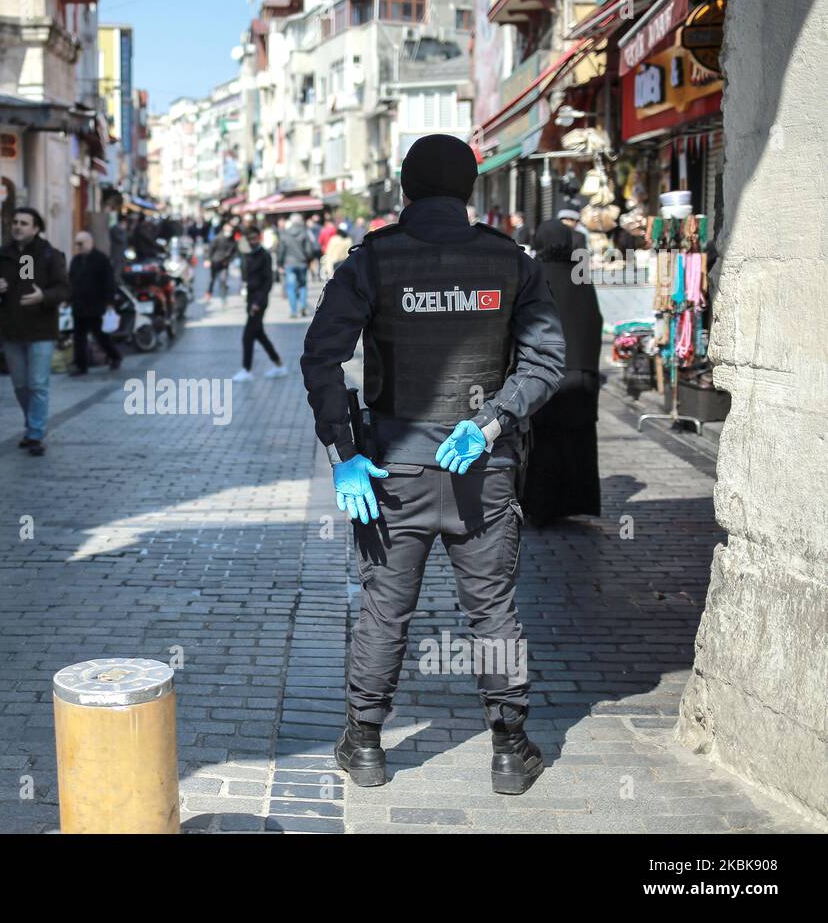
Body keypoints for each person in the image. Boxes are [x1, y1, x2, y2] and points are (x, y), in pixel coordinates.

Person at [301, 133, 566, 795]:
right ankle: (510, 751)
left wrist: (344, 453)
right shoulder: (512, 262)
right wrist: (494, 421)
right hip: (484, 470)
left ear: (405, 189)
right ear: (472, 191)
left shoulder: (373, 261)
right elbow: (547, 361)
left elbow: (320, 356)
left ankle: (364, 744)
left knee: (385, 609)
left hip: (393, 471)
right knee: (494, 609)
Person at [522, 215, 603, 525]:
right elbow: (593, 321)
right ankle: (573, 503)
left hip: (543, 372)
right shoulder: (580, 275)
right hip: (580, 374)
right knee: (576, 441)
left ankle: (540, 506)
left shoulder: (533, 274)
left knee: (542, 443)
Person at [0, 206, 70, 457]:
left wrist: (44, 296)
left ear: (35, 228)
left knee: (38, 384)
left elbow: (64, 289)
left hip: (41, 330)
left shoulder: (50, 255)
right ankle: (32, 424)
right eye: (15, 222)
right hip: (12, 329)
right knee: (21, 386)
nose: (17, 226)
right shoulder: (3, 254)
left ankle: (35, 433)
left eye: (23, 223)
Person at [232, 226, 288, 382]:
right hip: (251, 299)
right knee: (259, 334)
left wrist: (258, 302)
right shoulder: (247, 254)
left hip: (259, 301)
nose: (252, 241)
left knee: (247, 336)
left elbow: (267, 281)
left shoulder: (264, 255)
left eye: (254, 238)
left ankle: (246, 369)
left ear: (259, 238)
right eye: (249, 239)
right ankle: (279, 365)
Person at [69, 230, 121, 375]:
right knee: (79, 337)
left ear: (89, 242)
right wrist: (68, 299)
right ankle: (81, 365)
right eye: (76, 244)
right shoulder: (76, 260)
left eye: (80, 243)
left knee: (101, 335)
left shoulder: (101, 259)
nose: (78, 247)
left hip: (95, 305)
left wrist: (109, 302)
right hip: (79, 306)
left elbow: (109, 282)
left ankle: (115, 356)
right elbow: (71, 280)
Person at [276, 213, 315, 318]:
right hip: (302, 263)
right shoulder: (304, 233)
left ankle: (293, 311)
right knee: (302, 285)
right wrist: (309, 259)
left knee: (291, 287)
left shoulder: (285, 234)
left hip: (289, 263)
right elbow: (309, 250)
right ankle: (302, 306)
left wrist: (279, 263)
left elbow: (280, 250)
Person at [206, 223, 238, 307]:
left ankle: (224, 299)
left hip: (225, 264)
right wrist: (208, 259)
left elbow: (234, 252)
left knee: (223, 281)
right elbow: (210, 249)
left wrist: (230, 260)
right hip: (215, 262)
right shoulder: (217, 238)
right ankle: (209, 292)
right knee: (212, 279)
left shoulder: (232, 240)